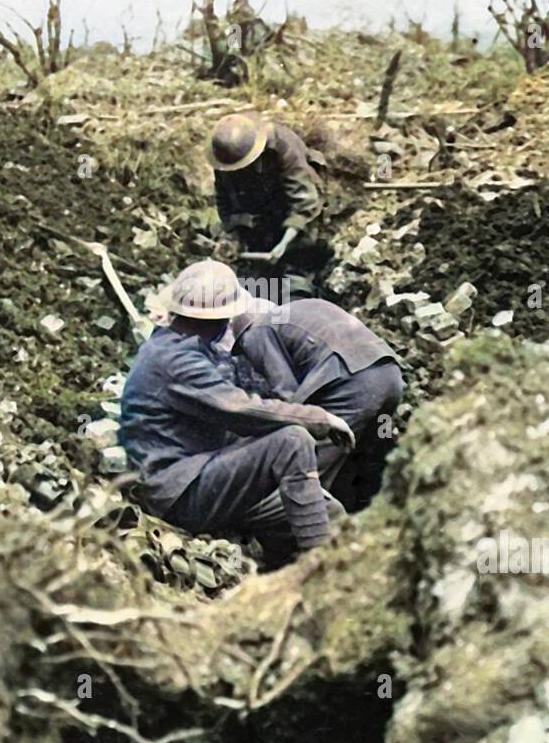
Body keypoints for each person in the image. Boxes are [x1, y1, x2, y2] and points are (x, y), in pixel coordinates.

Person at [119, 260, 355, 564]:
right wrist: (317, 418)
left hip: (201, 476)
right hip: (177, 492)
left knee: (330, 514)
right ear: (216, 320)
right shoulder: (174, 360)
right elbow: (240, 410)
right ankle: (321, 571)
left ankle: (298, 584)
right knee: (292, 441)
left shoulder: (179, 349)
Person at [230, 297, 404, 510]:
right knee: (374, 451)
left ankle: (306, 536)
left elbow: (286, 392)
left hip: (353, 387)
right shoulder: (303, 309)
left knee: (309, 465)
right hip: (390, 378)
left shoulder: (256, 332)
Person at [209, 113, 330, 302]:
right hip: (259, 207)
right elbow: (225, 202)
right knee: (252, 281)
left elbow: (304, 202)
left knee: (298, 258)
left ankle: (298, 287)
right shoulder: (225, 158)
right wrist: (232, 236)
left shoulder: (282, 145)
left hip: (290, 203)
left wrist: (284, 244)